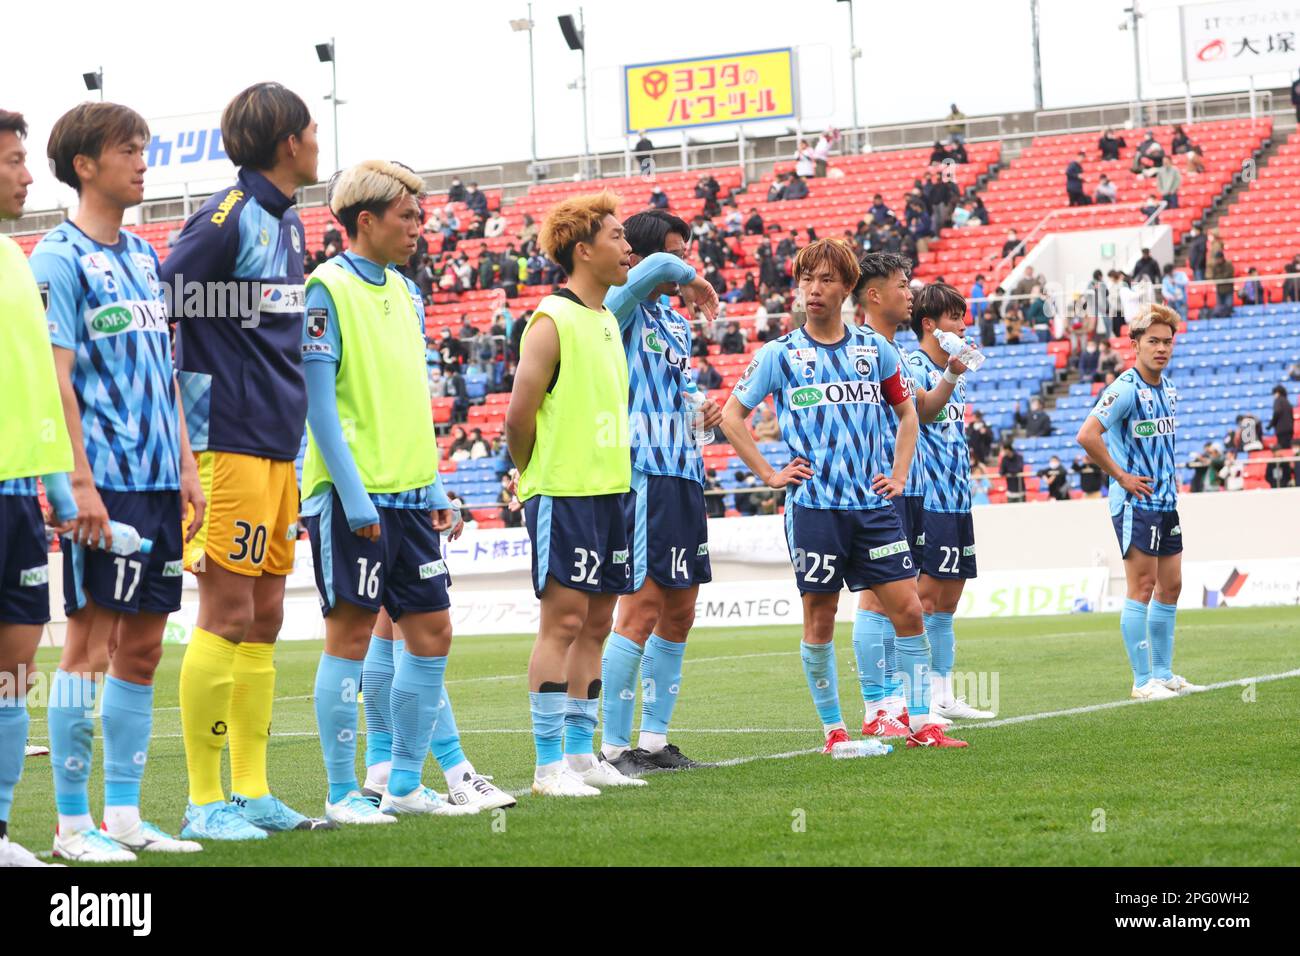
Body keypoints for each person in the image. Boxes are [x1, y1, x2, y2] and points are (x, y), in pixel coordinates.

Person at [298, 160, 509, 823]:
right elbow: (319, 406)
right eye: (407, 216)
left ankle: (407, 786)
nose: (419, 227)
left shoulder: (410, 293)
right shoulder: (324, 289)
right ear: (367, 221)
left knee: (433, 631)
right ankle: (339, 794)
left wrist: (437, 481)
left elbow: (412, 397)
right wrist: (354, 497)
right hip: (353, 498)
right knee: (351, 638)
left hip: (414, 495)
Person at [33, 102, 206, 861]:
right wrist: (79, 480)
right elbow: (55, 379)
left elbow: (166, 373)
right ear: (84, 165)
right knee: (87, 643)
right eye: (128, 151)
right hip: (105, 479)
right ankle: (72, 825)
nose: (143, 162)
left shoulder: (143, 253)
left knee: (141, 650)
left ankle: (126, 817)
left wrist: (190, 464)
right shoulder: (56, 258)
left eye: (144, 149)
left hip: (160, 483)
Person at [159, 83, 325, 840]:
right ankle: (202, 799)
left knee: (265, 614)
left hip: (276, 443)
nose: (319, 143)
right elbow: (168, 297)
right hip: (225, 439)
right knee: (224, 613)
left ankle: (253, 791)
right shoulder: (225, 217)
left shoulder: (287, 225)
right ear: (288, 141)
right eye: (312, 132)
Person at [721, 240, 966, 753]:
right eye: (807, 279)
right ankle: (835, 732)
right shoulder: (780, 354)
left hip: (874, 509)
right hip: (814, 511)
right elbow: (731, 417)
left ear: (848, 287)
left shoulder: (873, 349)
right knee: (821, 618)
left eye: (826, 279)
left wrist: (899, 475)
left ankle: (922, 722)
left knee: (909, 612)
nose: (814, 289)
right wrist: (768, 472)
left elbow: (908, 414)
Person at [505, 191, 644, 797]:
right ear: (583, 250)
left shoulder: (609, 318)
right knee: (562, 622)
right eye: (617, 236)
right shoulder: (550, 319)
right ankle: (546, 766)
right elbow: (518, 417)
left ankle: (581, 754)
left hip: (613, 491)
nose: (627, 246)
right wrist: (535, 476)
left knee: (597, 623)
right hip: (564, 493)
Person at [596, 209, 721, 777]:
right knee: (640, 607)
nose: (683, 268)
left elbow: (682, 389)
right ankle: (614, 747)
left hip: (684, 470)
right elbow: (660, 270)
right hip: (641, 468)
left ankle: (653, 741)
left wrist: (703, 414)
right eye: (676, 253)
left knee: (681, 610)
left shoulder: (675, 324)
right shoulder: (614, 309)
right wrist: (690, 274)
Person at [0, 108, 80, 867]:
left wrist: (57, 486)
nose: (29, 174)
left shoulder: (18, 260)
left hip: (18, 496)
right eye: (14, 161)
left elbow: (35, 388)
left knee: (14, 669)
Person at [852, 253, 971, 741]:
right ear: (875, 294)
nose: (910, 291)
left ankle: (904, 707)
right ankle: (877, 704)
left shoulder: (893, 352)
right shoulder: (854, 347)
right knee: (876, 602)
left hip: (910, 487)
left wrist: (951, 374)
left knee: (906, 604)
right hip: (875, 488)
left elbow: (918, 410)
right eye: (902, 284)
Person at [1076, 304, 1200, 700]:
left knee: (1172, 585)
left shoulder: (1169, 390)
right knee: (1142, 586)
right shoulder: (1125, 389)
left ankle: (1163, 673)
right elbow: (1088, 435)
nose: (1162, 349)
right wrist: (1123, 477)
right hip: (1135, 503)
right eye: (1153, 342)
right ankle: (1142, 680)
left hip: (1166, 501)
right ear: (1135, 345)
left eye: (1167, 342)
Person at [902, 283, 995, 719]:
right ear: (930, 325)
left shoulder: (952, 375)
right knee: (923, 598)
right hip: (929, 497)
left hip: (958, 496)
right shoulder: (914, 366)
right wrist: (951, 373)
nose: (963, 325)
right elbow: (921, 416)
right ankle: (911, 695)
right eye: (955, 317)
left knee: (950, 599)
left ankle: (941, 693)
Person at [1269, 384, 1294, 488]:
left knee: (1283, 450)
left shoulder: (1278, 401)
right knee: (1287, 448)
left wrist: (1272, 423)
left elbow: (1277, 412)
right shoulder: (1288, 402)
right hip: (1289, 429)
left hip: (1281, 429)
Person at [1208, 250, 1235, 317]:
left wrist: (1220, 277)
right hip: (1219, 290)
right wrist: (1222, 277)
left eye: (1218, 258)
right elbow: (1214, 277)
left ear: (1222, 258)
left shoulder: (1228, 264)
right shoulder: (1215, 266)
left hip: (1228, 289)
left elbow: (1229, 274)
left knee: (1228, 306)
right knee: (1220, 308)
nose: (1217, 260)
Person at [999, 436, 1025, 503]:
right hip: (1010, 490)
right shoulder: (1004, 459)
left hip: (1020, 489)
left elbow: (1019, 469)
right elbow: (1001, 472)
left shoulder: (1019, 457)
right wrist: (1010, 470)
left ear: (1008, 449)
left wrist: (1008, 470)